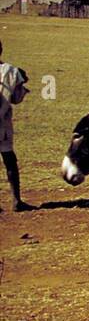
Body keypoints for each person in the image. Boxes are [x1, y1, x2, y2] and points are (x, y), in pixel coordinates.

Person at [0, 39, 35, 213]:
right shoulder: (11, 71)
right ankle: (16, 201)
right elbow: (16, 99)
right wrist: (22, 83)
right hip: (2, 125)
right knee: (9, 161)